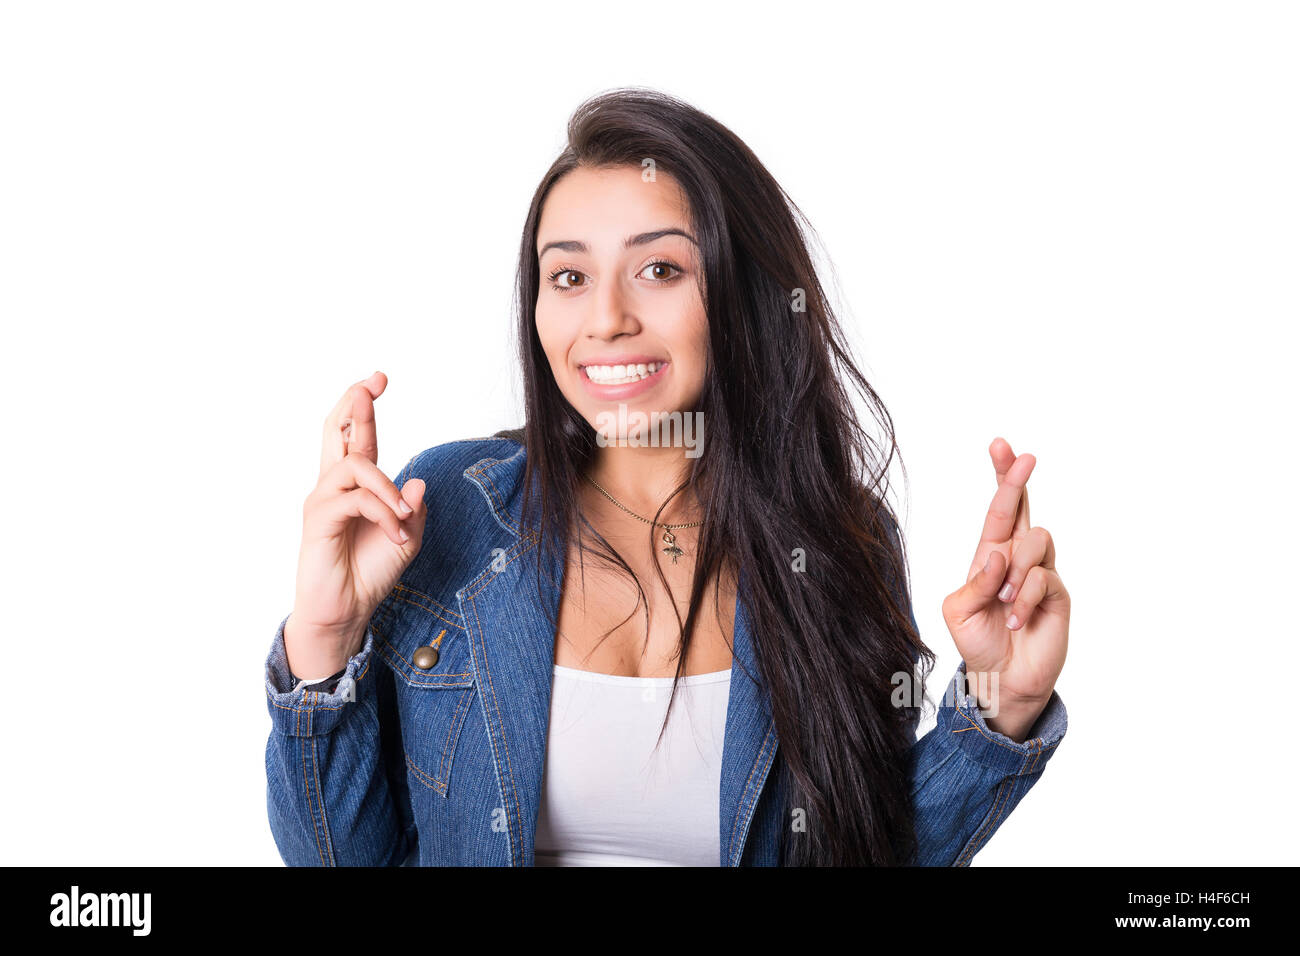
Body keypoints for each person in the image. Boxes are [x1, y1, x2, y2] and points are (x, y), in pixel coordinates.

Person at [264, 87, 1070, 867]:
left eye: (659, 270)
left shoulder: (835, 543)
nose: (606, 318)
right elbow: (340, 859)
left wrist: (1004, 705)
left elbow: (869, 848)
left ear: (741, 292)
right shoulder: (448, 510)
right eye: (569, 277)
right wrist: (325, 644)